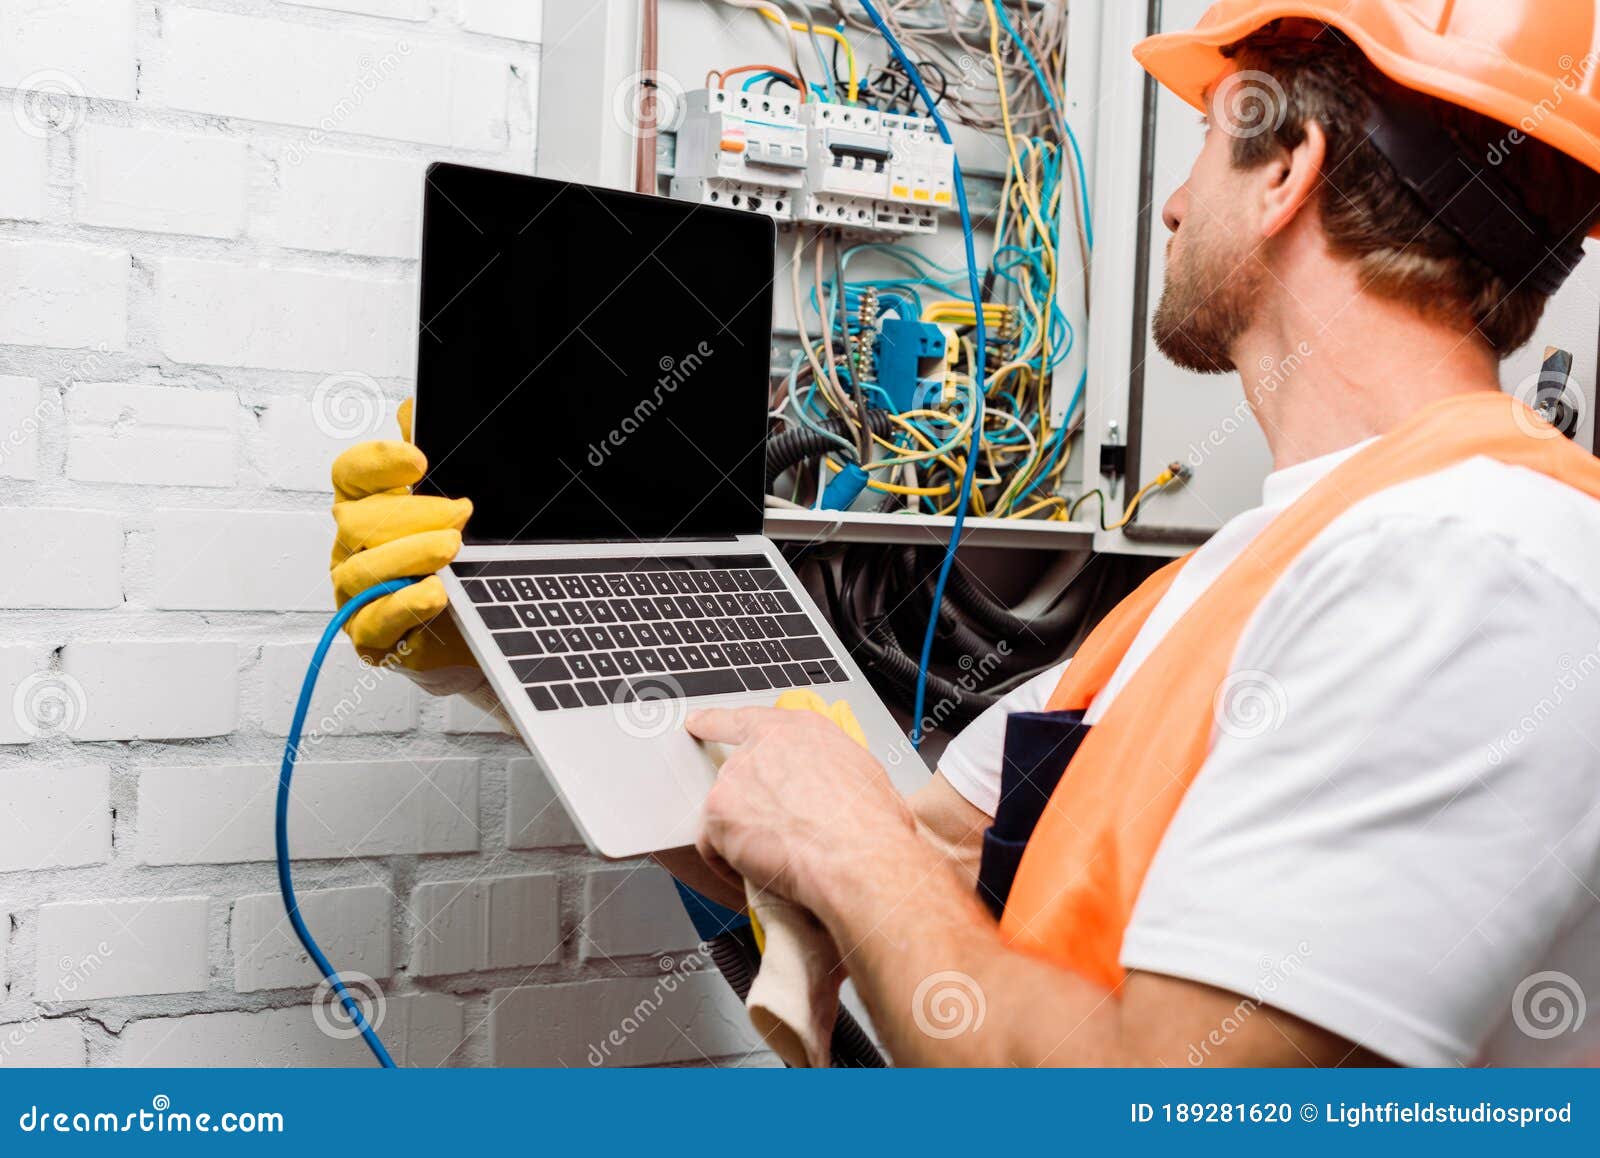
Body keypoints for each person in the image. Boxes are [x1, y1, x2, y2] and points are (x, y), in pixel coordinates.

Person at [331, 0, 1600, 1066]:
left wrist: (850, 838)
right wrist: (496, 651)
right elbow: (889, 863)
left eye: (1207, 144)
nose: (1166, 208)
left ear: (1285, 170)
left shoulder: (1478, 565)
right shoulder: (1248, 573)